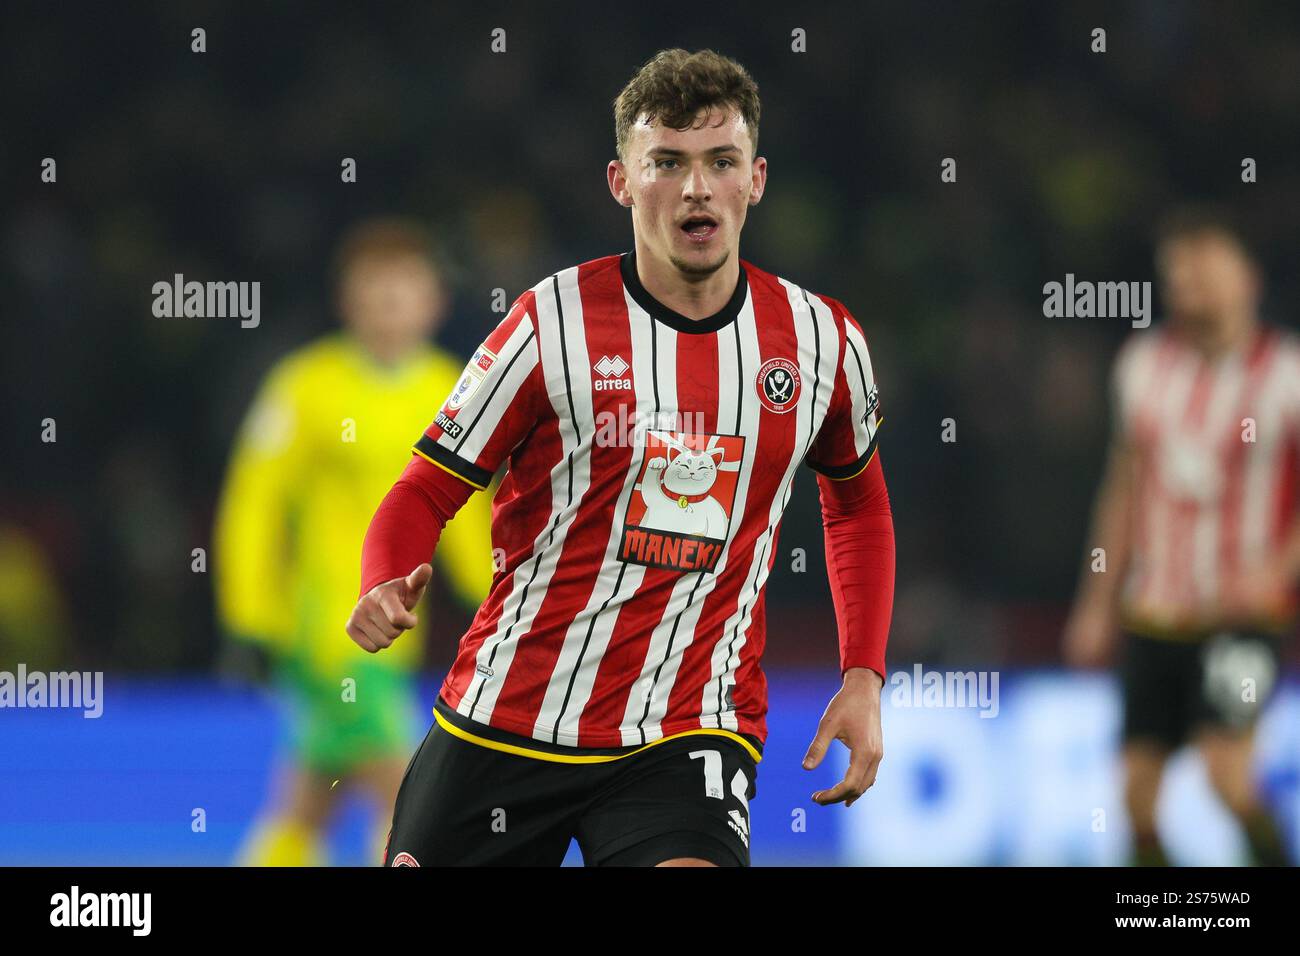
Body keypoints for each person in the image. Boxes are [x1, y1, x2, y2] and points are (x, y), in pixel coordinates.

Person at [349, 49, 896, 867]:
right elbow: (426, 488)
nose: (696, 188)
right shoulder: (549, 325)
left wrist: (863, 675)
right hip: (513, 713)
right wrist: (384, 577)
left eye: (721, 162)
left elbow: (858, 505)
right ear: (622, 181)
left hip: (689, 728)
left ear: (756, 180)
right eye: (667, 164)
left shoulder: (821, 343)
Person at [215, 218, 495, 865]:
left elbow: (463, 513)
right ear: (348, 301)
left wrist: (498, 601)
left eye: (402, 293)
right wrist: (249, 613)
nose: (387, 309)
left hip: (396, 636)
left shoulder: (448, 390)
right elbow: (253, 504)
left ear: (434, 302)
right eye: (374, 295)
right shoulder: (305, 387)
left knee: (308, 803)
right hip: (327, 631)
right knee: (410, 797)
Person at [1064, 208, 1300, 866]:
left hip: (1241, 618)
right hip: (1155, 615)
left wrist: (1278, 571)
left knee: (1228, 776)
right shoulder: (1142, 367)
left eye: (1205, 264)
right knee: (1136, 796)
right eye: (1177, 271)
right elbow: (1124, 490)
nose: (1188, 280)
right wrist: (1096, 603)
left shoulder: (1285, 375)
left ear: (1247, 278)